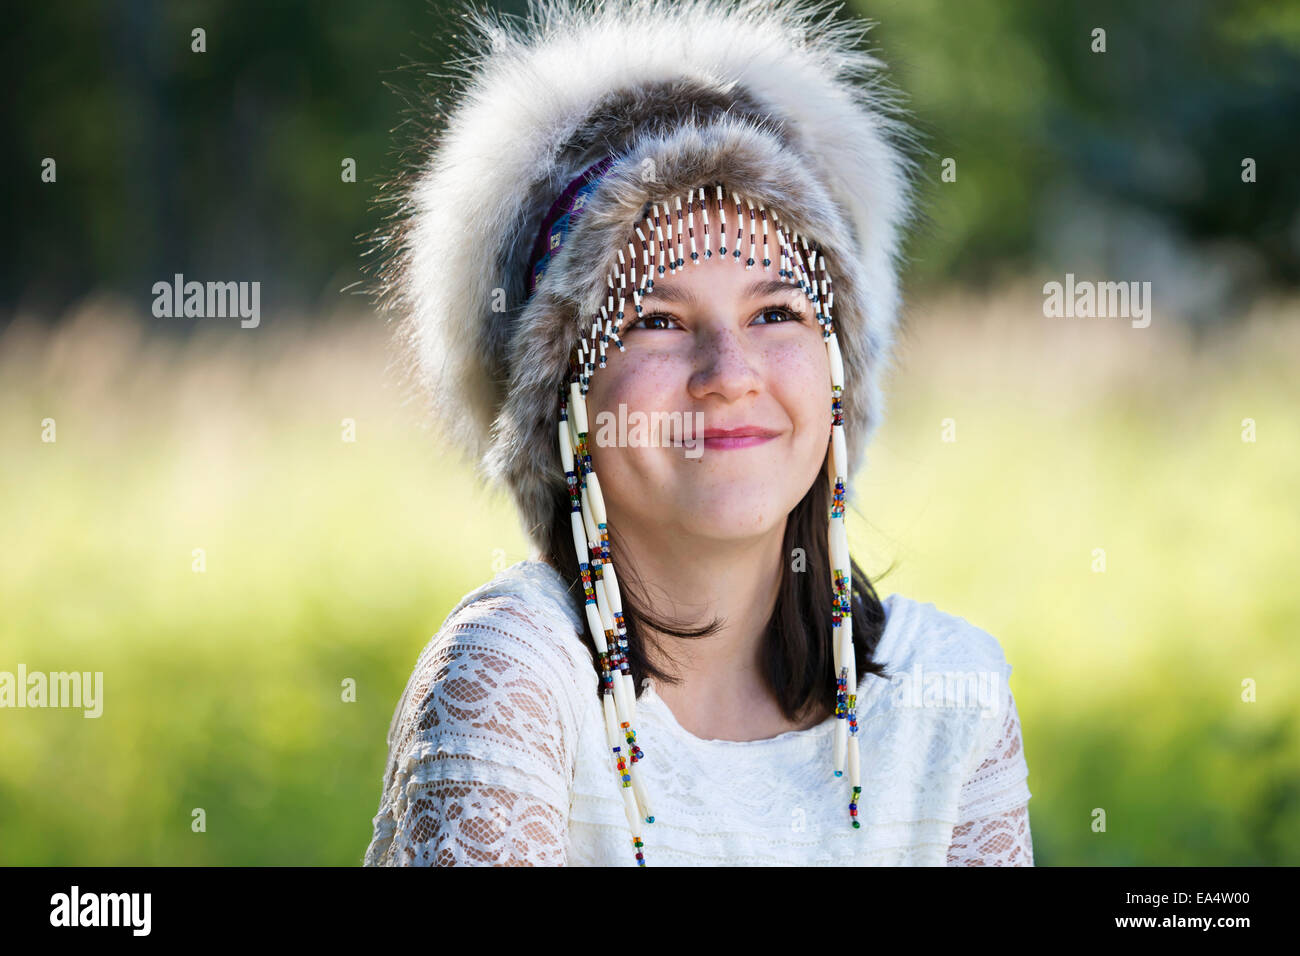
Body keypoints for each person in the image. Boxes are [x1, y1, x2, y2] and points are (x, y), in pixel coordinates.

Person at [363, 0, 1032, 866]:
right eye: (659, 321)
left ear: (840, 375)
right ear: (559, 392)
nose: (731, 372)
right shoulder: (516, 681)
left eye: (778, 312)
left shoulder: (951, 692)